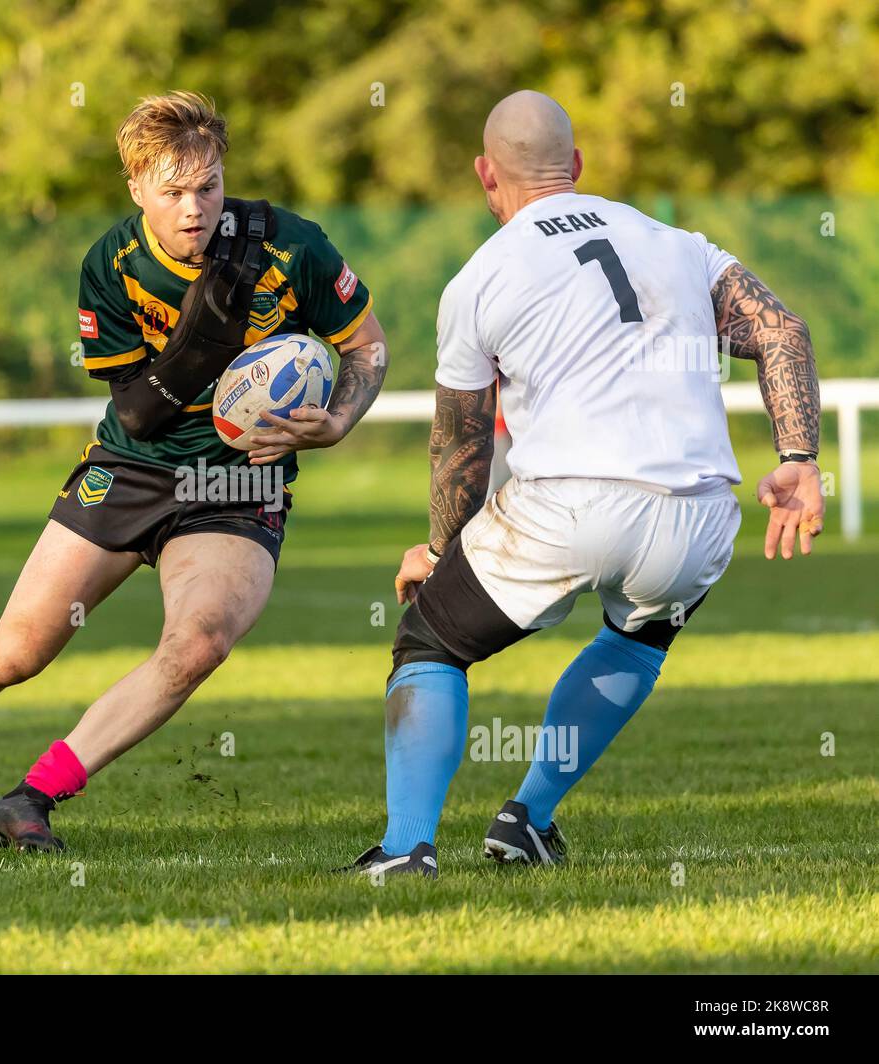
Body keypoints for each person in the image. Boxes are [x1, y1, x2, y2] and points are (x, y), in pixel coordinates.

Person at [0, 91, 389, 851]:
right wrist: (204, 345)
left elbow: (367, 348)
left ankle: (30, 798)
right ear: (137, 188)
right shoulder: (112, 265)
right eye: (172, 192)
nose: (194, 208)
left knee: (198, 643)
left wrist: (336, 420)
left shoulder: (290, 247)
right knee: (15, 653)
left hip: (236, 486)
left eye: (207, 187)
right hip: (132, 467)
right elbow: (139, 413)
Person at [343, 90, 822, 878]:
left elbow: (460, 443)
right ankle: (527, 818)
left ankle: (404, 850)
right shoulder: (675, 240)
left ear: (485, 177)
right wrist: (799, 457)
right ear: (576, 167)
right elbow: (781, 331)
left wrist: (437, 552)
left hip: (569, 501)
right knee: (639, 637)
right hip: (700, 514)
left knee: (429, 642)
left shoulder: (479, 277)